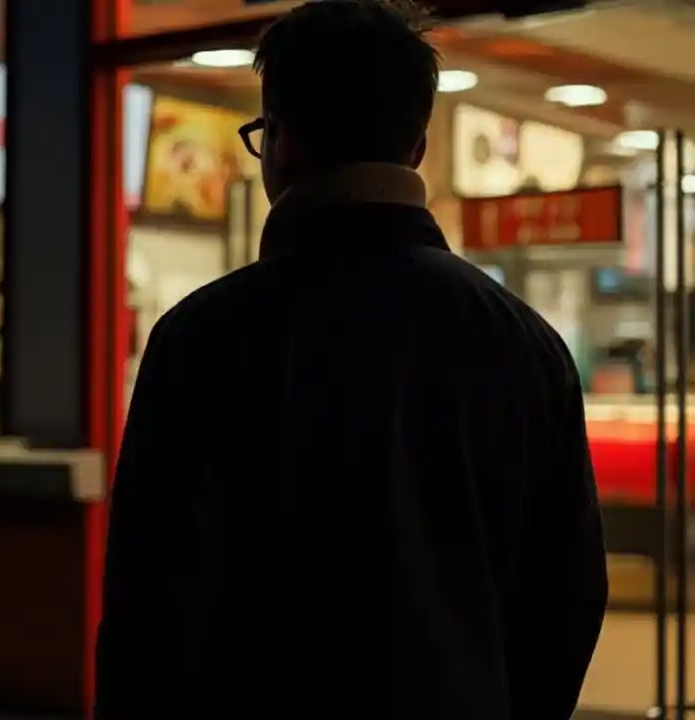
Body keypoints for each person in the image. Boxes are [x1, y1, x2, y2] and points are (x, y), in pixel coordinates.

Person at [94, 1, 608, 718]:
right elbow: (566, 598)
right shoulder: (523, 344)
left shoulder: (204, 338)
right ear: (419, 145)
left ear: (281, 139)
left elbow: (154, 610)